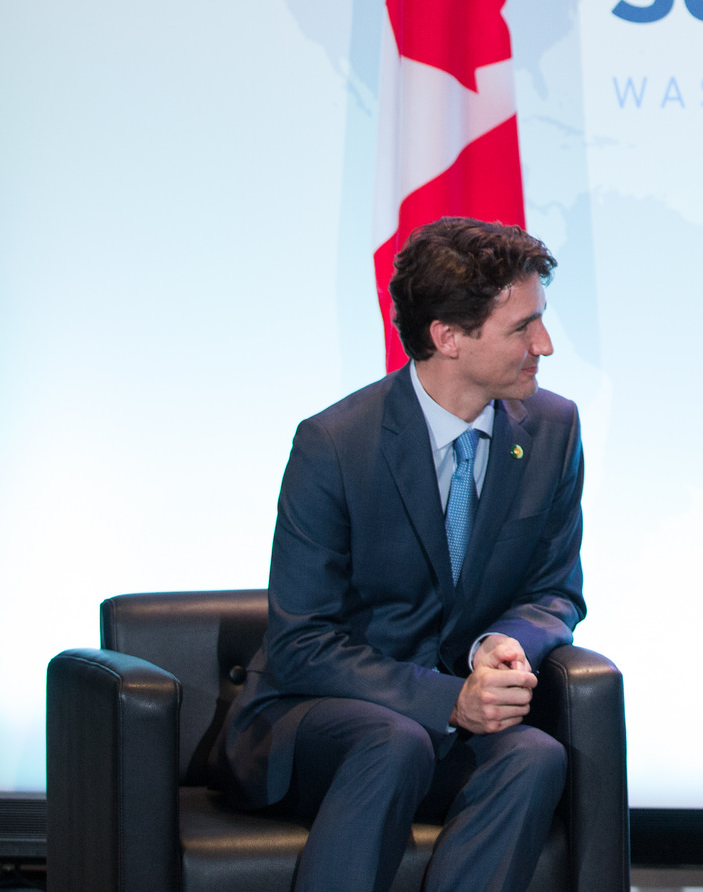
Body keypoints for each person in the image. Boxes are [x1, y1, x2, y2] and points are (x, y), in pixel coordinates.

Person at [219, 218, 587, 892]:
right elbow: (302, 643)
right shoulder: (334, 444)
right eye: (522, 328)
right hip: (318, 720)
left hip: (449, 718)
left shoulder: (553, 431)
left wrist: (501, 642)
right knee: (395, 741)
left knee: (535, 755)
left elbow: (556, 589)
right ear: (447, 336)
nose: (546, 344)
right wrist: (451, 700)